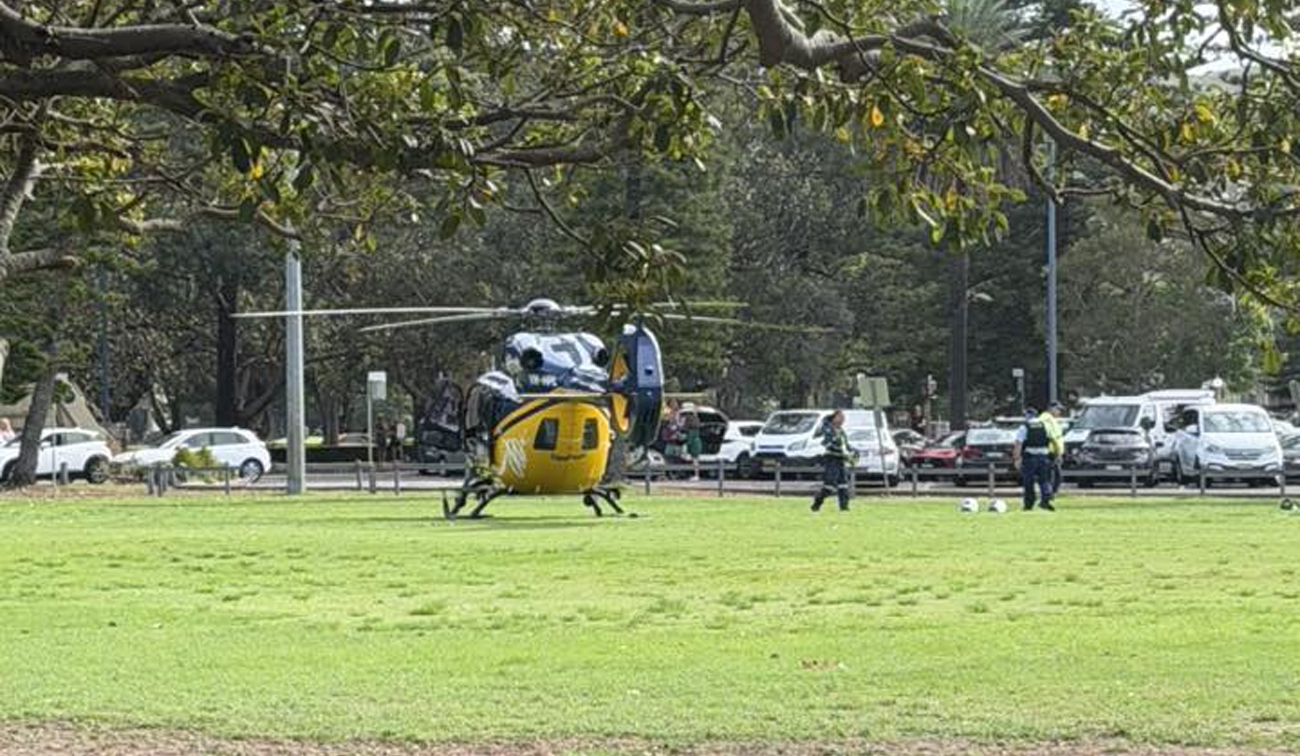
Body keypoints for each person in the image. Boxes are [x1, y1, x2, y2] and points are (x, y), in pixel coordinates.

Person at [811, 410, 855, 512]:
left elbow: (845, 445)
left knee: (843, 484)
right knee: (829, 486)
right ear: (834, 418)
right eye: (840, 417)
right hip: (831, 459)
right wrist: (835, 444)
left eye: (843, 418)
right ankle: (817, 503)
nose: (842, 420)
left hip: (841, 460)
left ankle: (844, 507)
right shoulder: (826, 428)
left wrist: (852, 452)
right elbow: (825, 443)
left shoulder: (841, 431)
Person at [1013, 408, 1055, 511]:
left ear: (1027, 416)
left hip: (1030, 457)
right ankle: (1045, 500)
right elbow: (1053, 440)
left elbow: (1018, 444)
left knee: (1028, 482)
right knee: (1044, 480)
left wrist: (1017, 459)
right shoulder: (1046, 425)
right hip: (1044, 457)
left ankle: (1029, 504)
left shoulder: (1024, 427)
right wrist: (1056, 455)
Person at [1039, 401, 1066, 494]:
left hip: (1053, 451)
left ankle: (1050, 493)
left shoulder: (1051, 419)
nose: (1059, 412)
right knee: (1052, 475)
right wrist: (1058, 453)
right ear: (1051, 409)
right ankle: (1048, 493)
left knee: (1054, 475)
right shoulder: (1046, 419)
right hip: (1050, 452)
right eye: (1058, 409)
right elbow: (1051, 437)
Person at [683, 410, 703, 481]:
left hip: (694, 446)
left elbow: (689, 441)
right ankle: (696, 475)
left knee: (695, 460)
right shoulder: (696, 429)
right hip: (698, 443)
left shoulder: (691, 431)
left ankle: (696, 475)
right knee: (696, 460)